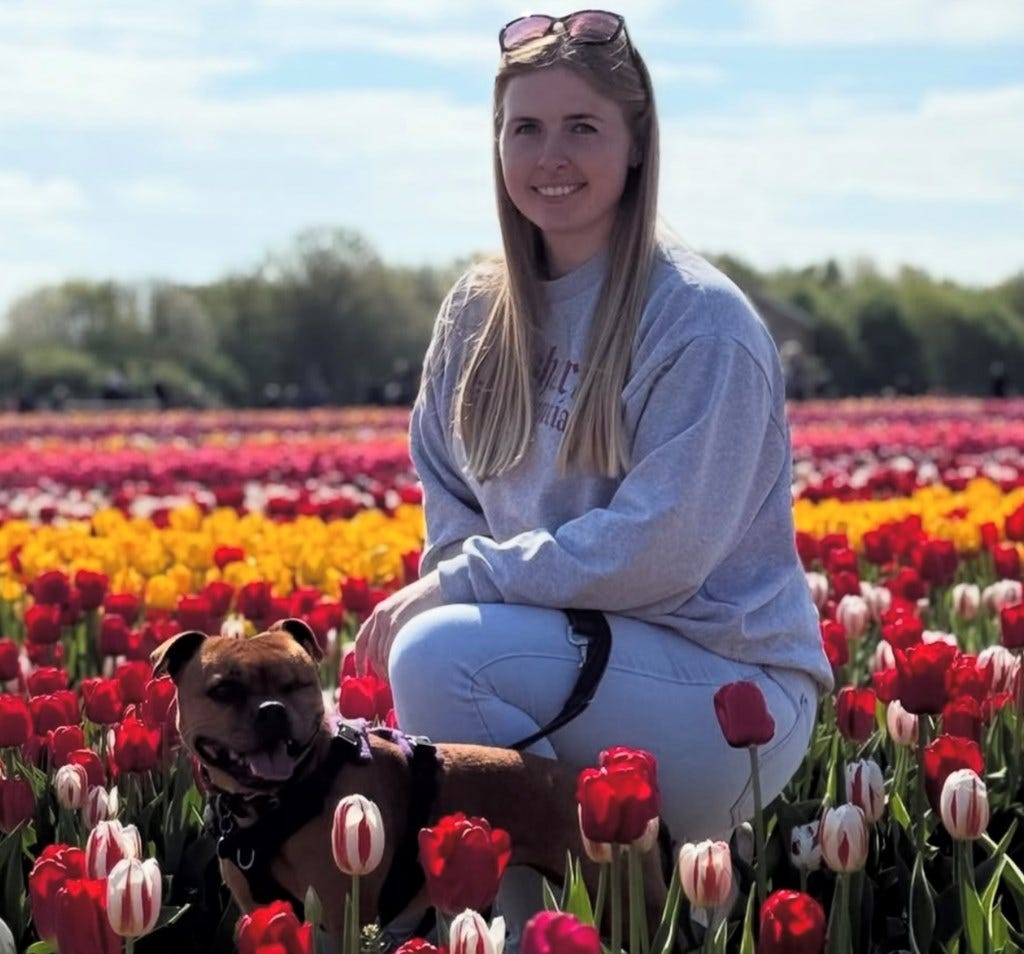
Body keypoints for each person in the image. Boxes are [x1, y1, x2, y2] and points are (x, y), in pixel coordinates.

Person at [354, 8, 833, 943]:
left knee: (435, 653)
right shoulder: (475, 314)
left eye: (583, 127)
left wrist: (462, 587)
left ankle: (573, 921)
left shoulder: (699, 321)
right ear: (496, 142)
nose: (551, 156)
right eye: (525, 128)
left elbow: (664, 551)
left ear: (637, 143)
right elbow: (448, 497)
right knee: (387, 687)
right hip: (570, 665)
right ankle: (552, 928)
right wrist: (458, 580)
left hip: (727, 691)